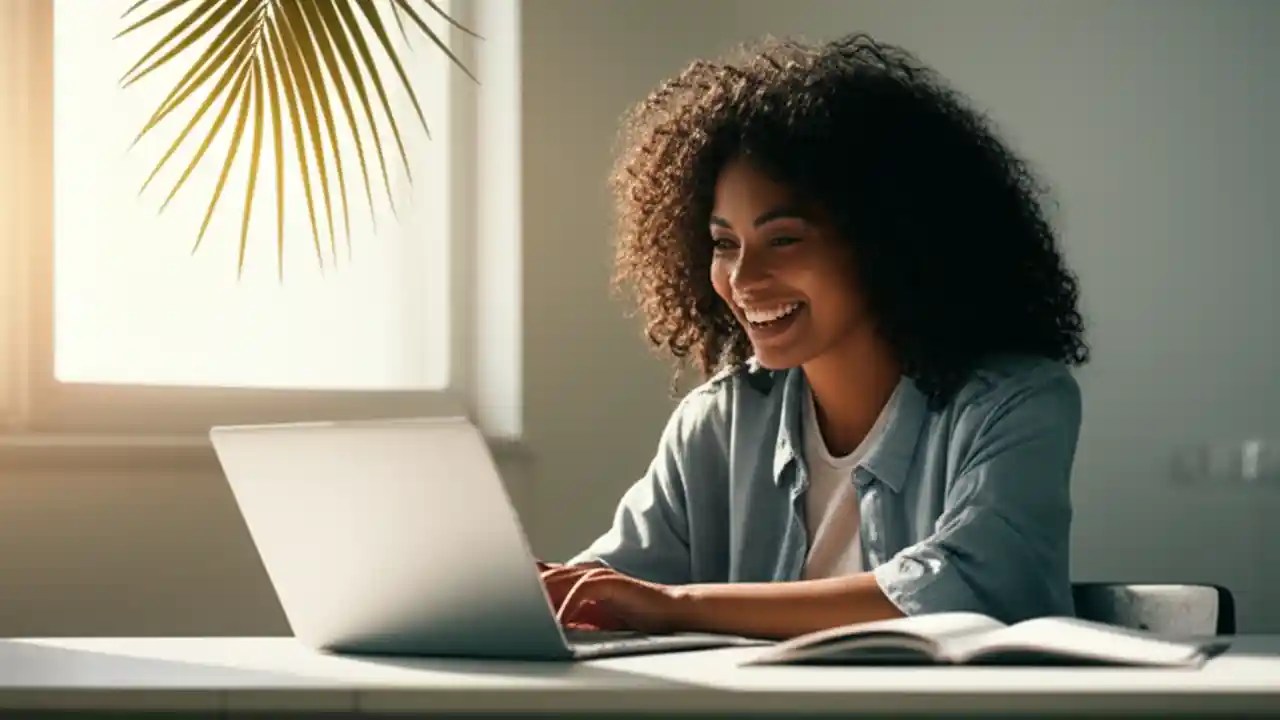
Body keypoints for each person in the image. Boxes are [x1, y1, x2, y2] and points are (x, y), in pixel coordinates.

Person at [539, 32, 1089, 641]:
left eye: (784, 240)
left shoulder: (1015, 403)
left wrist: (676, 604)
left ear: (887, 243)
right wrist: (538, 597)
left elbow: (967, 588)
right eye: (724, 244)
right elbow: (610, 592)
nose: (743, 278)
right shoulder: (718, 425)